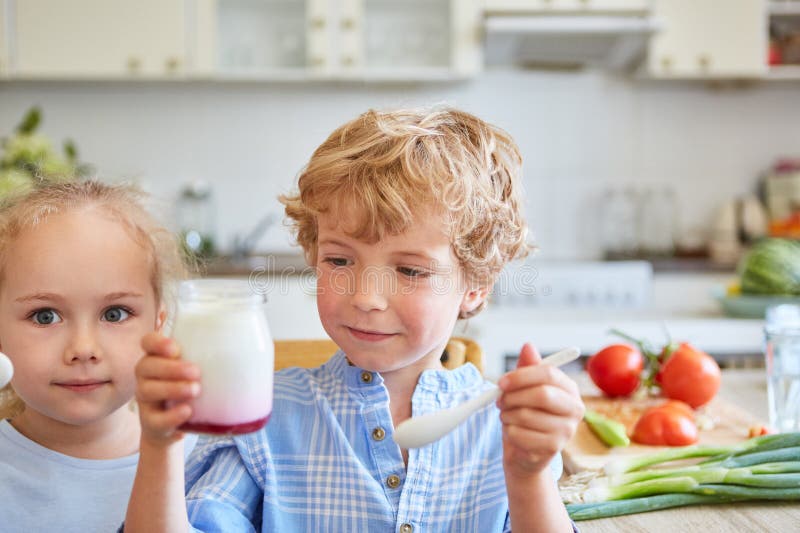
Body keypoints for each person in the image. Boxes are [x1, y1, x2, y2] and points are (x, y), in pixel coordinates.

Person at [126, 107, 585, 532]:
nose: (365, 297)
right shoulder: (267, 419)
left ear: (477, 284)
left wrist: (529, 476)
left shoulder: (503, 432)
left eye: (410, 270)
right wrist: (161, 444)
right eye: (340, 261)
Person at [0, 180, 195, 533]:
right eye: (45, 316)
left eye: (115, 314)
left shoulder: (205, 461)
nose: (83, 349)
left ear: (158, 324)